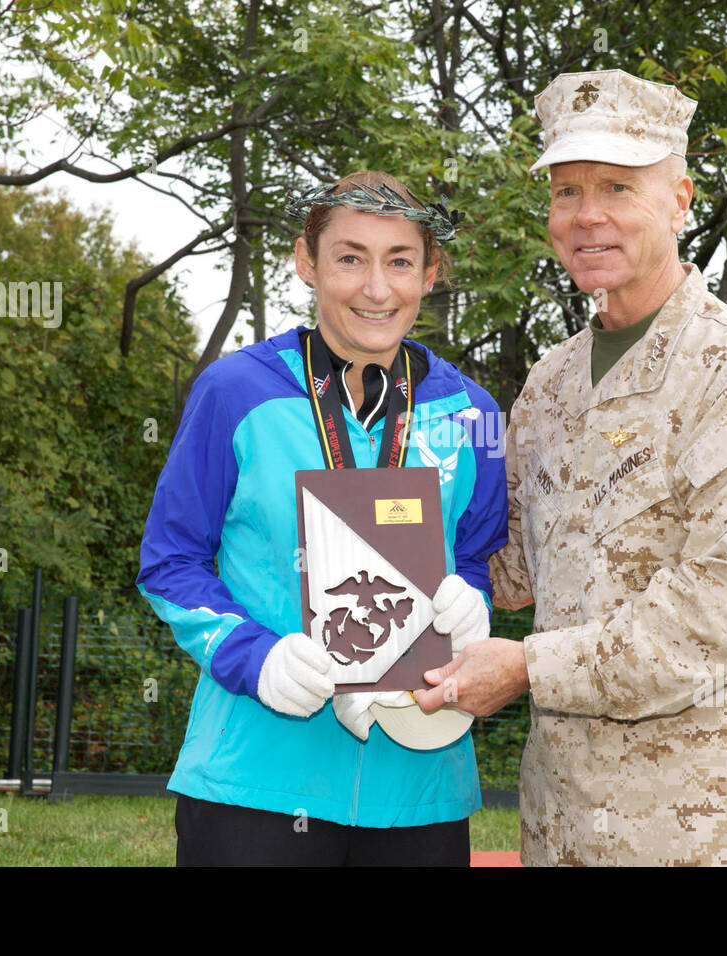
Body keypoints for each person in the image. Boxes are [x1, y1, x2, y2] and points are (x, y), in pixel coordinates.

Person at [414, 70, 727, 865]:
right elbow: (510, 566)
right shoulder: (551, 385)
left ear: (679, 200)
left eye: (616, 186)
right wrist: (359, 557)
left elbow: (725, 613)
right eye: (566, 191)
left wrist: (527, 667)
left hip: (695, 834)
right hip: (559, 825)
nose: (586, 215)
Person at [137, 170, 507, 866]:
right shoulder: (234, 392)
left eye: (400, 260)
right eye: (349, 258)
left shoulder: (475, 415)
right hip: (258, 778)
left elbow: (477, 559)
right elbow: (169, 562)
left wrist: (474, 604)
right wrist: (255, 655)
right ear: (306, 263)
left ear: (431, 273)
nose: (376, 288)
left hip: (419, 786)